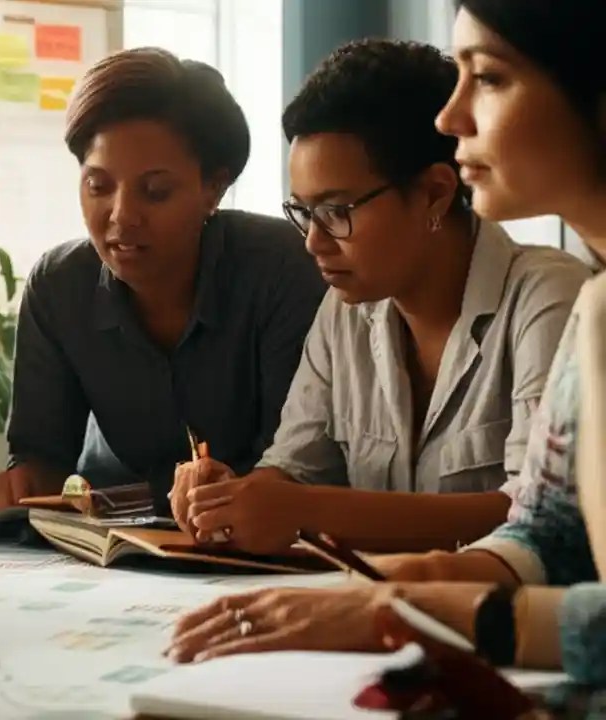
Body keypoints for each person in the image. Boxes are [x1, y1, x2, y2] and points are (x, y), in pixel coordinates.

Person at [168, 1, 606, 687]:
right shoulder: (595, 307)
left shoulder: (554, 294)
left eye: (487, 77)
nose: (451, 119)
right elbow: (543, 533)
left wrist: (416, 606)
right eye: (304, 213)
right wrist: (402, 583)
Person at [0, 48, 326, 514]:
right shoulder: (59, 286)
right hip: (117, 544)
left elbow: (294, 466)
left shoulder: (282, 267)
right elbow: (43, 460)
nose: (122, 216)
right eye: (98, 186)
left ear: (213, 189)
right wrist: (15, 487)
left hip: (256, 539)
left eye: (156, 192)